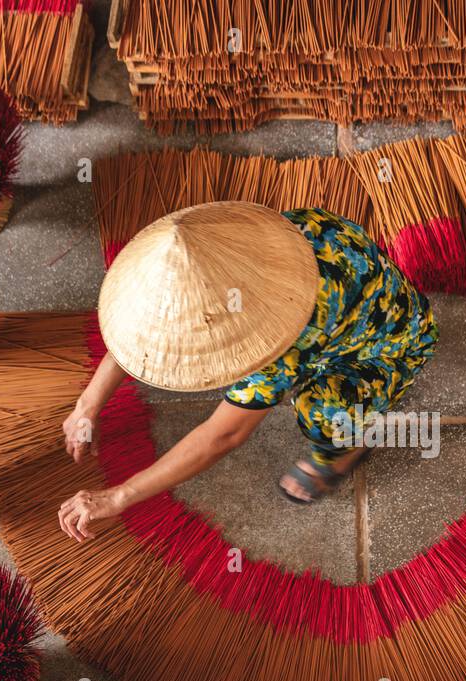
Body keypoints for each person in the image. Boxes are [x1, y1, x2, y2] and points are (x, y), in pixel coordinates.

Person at [58, 201, 436, 542]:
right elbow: (147, 324)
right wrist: (87, 405)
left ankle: (346, 450)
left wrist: (118, 496)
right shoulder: (274, 233)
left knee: (323, 413)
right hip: (361, 293)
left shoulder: (283, 345)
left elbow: (223, 434)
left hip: (387, 347)